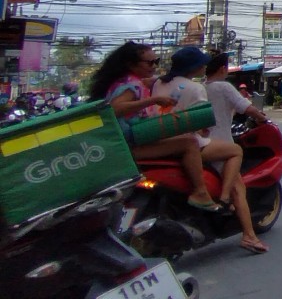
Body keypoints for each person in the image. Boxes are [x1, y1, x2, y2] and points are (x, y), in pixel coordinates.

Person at [87, 41, 220, 211]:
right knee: (189, 143)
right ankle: (200, 192)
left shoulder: (127, 81)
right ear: (131, 64)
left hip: (132, 140)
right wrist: (154, 100)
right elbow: (115, 108)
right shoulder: (132, 85)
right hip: (131, 144)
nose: (154, 66)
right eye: (149, 63)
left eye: (156, 61)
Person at [153, 47, 246, 214]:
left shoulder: (159, 83)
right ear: (194, 67)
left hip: (159, 140)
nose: (205, 67)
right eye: (202, 64)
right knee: (236, 151)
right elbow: (203, 125)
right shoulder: (195, 88)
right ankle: (224, 197)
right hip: (187, 143)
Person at [204, 53, 271, 254]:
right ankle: (249, 236)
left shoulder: (202, 87)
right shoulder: (223, 87)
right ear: (223, 69)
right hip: (220, 145)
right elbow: (247, 108)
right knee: (238, 189)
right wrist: (262, 119)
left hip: (200, 144)